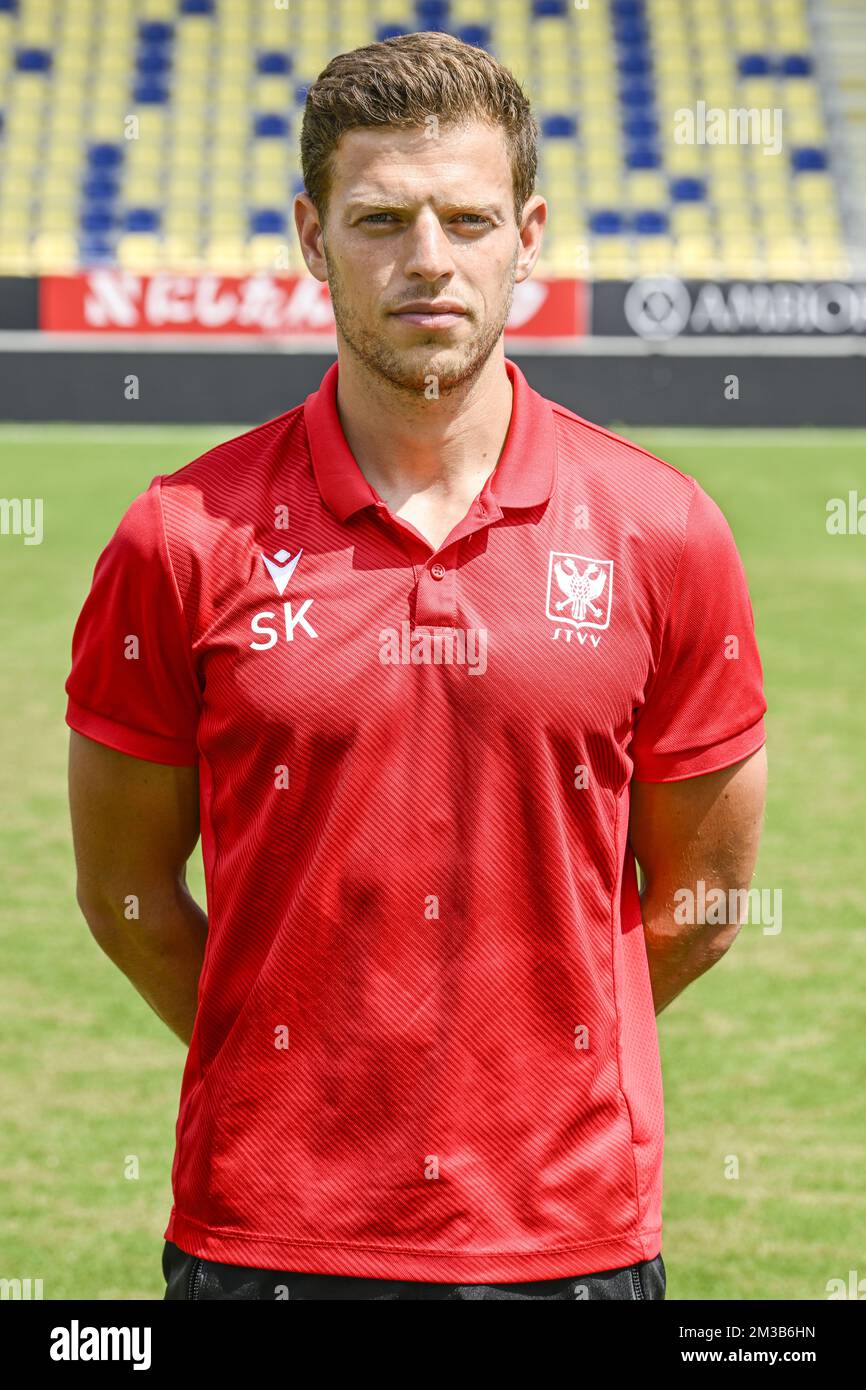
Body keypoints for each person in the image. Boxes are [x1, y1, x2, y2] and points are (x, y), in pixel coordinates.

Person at [66, 32, 767, 1301]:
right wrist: (294, 1060)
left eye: (467, 219)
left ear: (528, 236)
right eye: (381, 220)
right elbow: (127, 895)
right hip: (264, 1233)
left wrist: (527, 1063)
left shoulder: (663, 529)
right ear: (310, 235)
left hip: (567, 1238)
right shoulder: (178, 536)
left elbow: (703, 899)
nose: (428, 258)